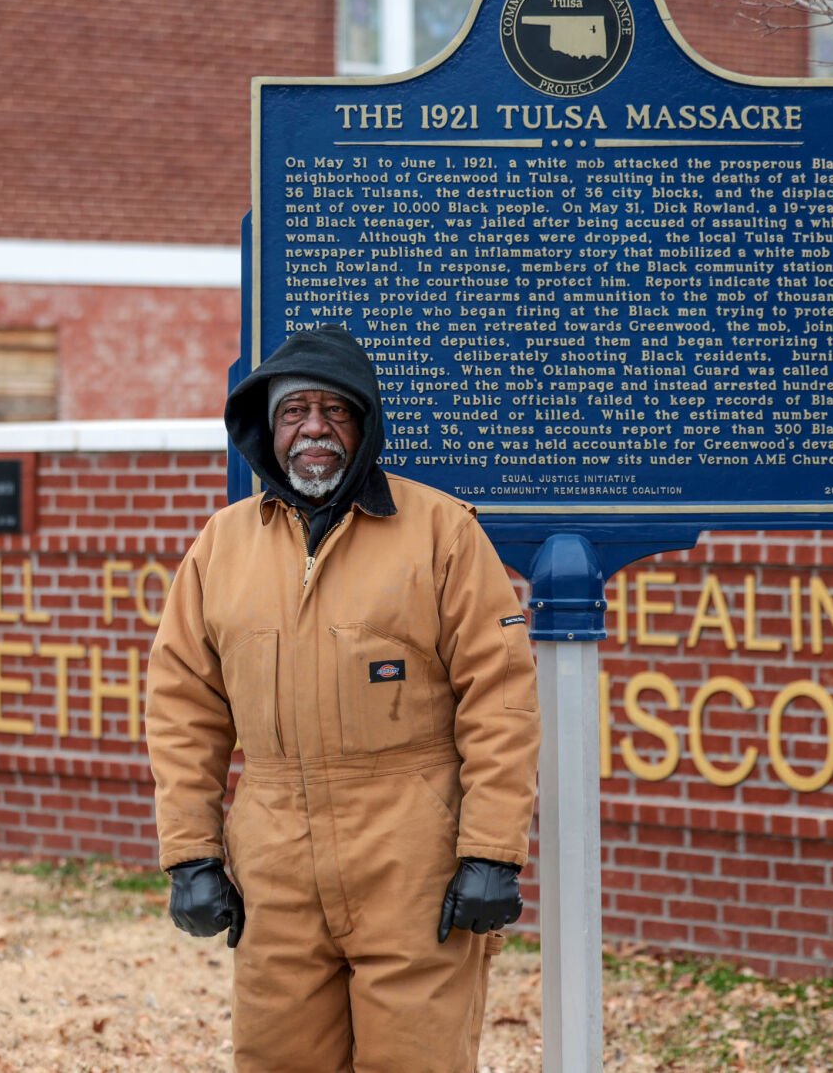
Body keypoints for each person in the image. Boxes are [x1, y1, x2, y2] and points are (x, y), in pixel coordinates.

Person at [145, 324, 541, 1072]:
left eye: (334, 410)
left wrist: (490, 851)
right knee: (277, 1057)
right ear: (268, 429)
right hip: (274, 859)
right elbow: (182, 708)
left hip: (410, 858)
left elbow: (500, 700)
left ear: (363, 425)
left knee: (415, 1060)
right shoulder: (221, 546)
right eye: (295, 411)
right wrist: (190, 853)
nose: (313, 428)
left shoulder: (441, 533)